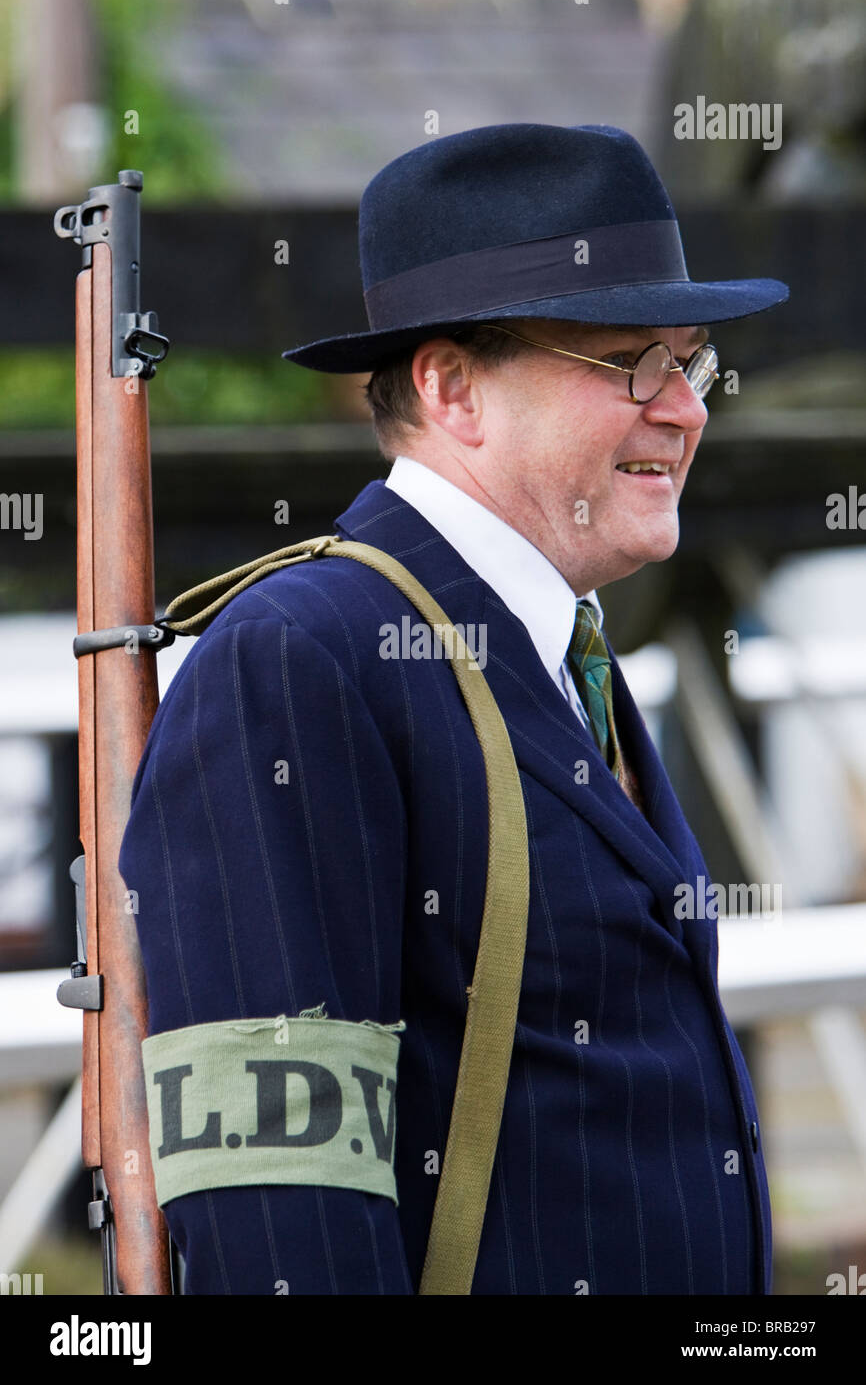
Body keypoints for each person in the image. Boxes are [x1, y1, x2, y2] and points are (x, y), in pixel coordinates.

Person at [119, 122, 788, 1295]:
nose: (681, 408)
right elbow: (282, 1206)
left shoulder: (553, 642)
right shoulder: (300, 659)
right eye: (631, 360)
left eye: (690, 362)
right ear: (449, 387)